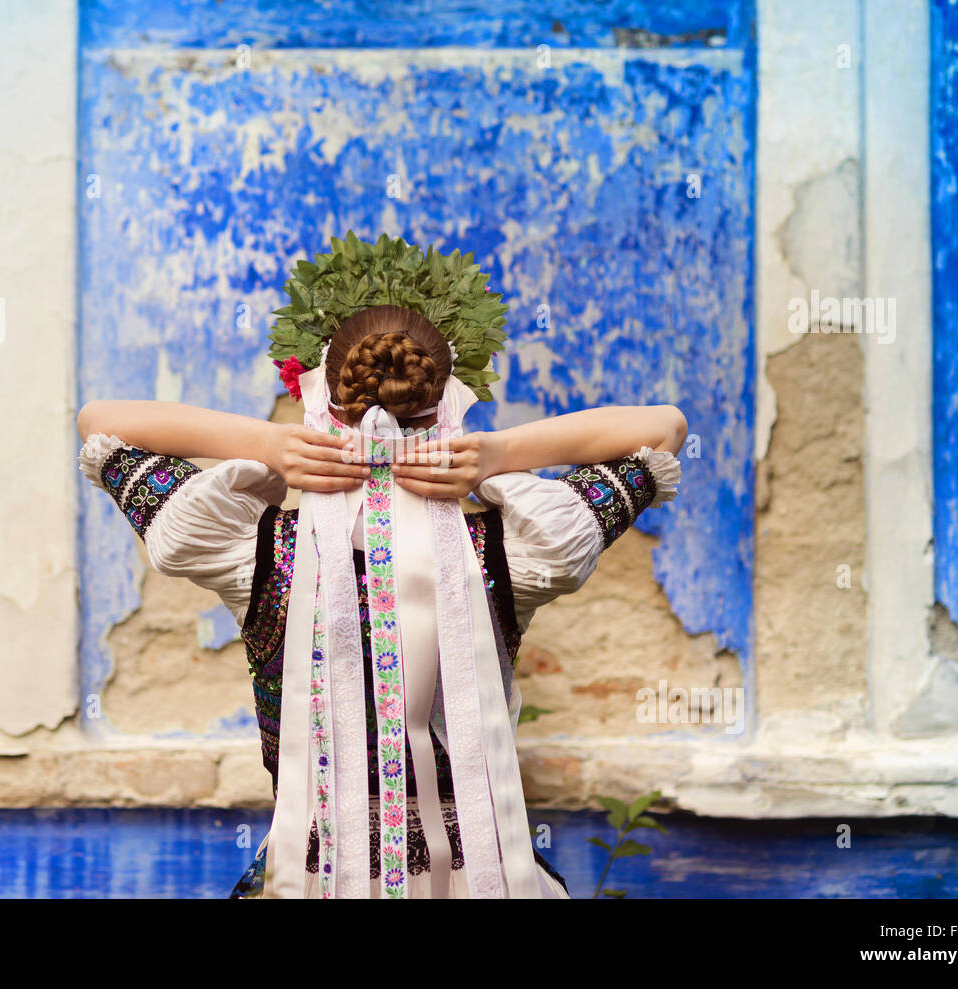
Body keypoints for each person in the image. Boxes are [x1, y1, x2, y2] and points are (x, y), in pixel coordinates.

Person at [77, 233, 686, 898]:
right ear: (448, 406)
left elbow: (99, 422)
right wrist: (497, 454)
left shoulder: (251, 552)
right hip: (480, 876)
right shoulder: (514, 551)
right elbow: (664, 427)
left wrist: (270, 444)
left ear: (322, 407)